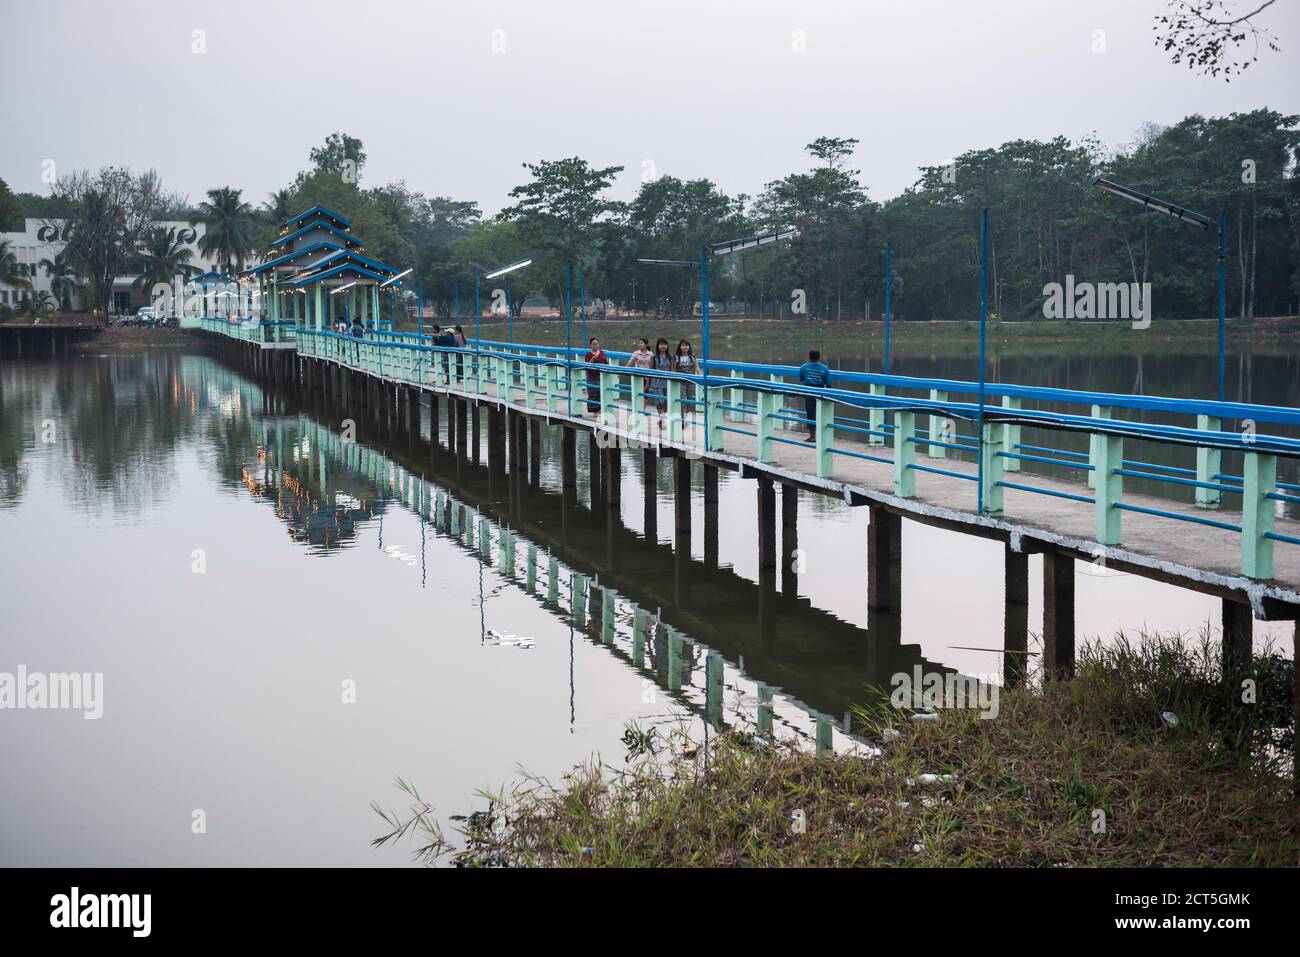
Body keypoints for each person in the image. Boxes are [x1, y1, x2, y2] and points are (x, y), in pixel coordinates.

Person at [796, 348, 831, 442]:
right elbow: (828, 384)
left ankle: (813, 436)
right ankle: (824, 435)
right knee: (822, 413)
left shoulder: (804, 367)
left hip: (809, 391)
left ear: (809, 357)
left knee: (811, 413)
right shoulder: (824, 368)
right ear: (819, 357)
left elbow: (801, 378)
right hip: (821, 392)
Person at [624, 338, 654, 411]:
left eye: (641, 343)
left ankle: (643, 409)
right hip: (638, 376)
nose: (640, 344)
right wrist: (623, 370)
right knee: (637, 391)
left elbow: (652, 365)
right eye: (639, 343)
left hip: (648, 375)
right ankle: (637, 407)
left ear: (646, 344)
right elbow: (630, 362)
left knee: (646, 392)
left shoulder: (651, 354)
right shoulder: (636, 353)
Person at [583, 337, 610, 414]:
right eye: (593, 344)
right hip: (591, 376)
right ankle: (594, 410)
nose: (595, 345)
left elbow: (605, 362)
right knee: (592, 393)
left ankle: (599, 409)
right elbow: (586, 365)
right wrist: (592, 359)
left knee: (600, 392)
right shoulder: (588, 355)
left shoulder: (602, 353)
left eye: (596, 344)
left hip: (600, 375)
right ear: (590, 346)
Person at [648, 337, 672, 416]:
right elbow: (650, 370)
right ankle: (662, 420)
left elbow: (672, 370)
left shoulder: (670, 357)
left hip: (668, 383)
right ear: (658, 346)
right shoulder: (654, 357)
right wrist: (648, 382)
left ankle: (662, 419)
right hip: (657, 383)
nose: (663, 346)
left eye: (665, 344)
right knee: (660, 402)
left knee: (667, 402)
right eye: (661, 344)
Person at [674, 339, 698, 403]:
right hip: (681, 381)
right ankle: (682, 413)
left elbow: (697, 367)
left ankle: (688, 412)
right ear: (680, 347)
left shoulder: (692, 356)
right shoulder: (676, 357)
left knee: (690, 398)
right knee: (683, 398)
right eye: (683, 345)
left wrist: (699, 378)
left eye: (687, 345)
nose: (685, 347)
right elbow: (673, 370)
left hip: (691, 381)